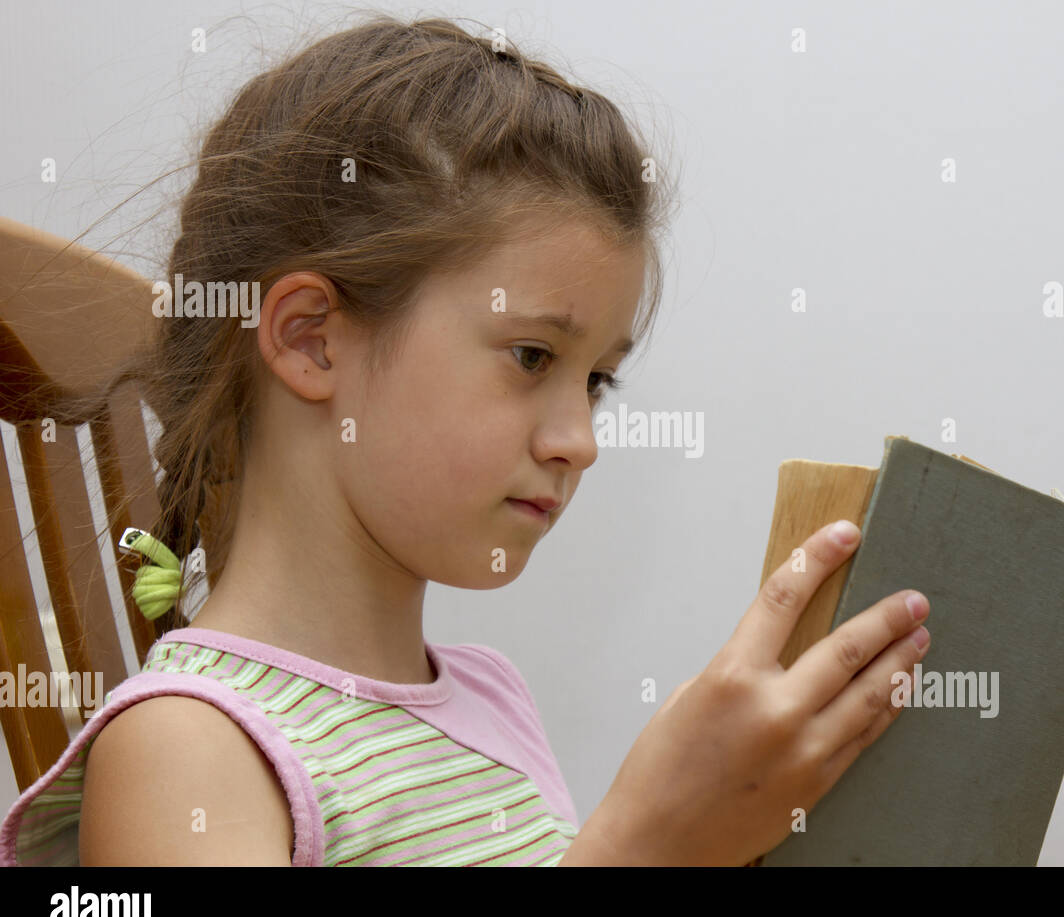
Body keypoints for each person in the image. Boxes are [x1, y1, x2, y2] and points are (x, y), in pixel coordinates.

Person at [0, 15, 931, 867]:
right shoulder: (188, 751)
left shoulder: (485, 702)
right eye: (533, 355)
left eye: (597, 381)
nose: (581, 441)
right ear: (309, 339)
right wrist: (646, 845)